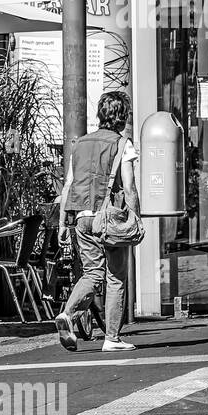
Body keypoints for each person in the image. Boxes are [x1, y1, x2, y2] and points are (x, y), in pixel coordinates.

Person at [54, 90, 140, 352]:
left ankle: (68, 314)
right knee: (115, 276)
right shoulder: (121, 144)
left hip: (81, 218)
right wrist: (135, 218)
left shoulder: (79, 144)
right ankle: (112, 338)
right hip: (109, 218)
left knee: (92, 272)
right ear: (122, 117)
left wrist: (62, 223)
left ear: (101, 114)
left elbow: (68, 185)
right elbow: (129, 188)